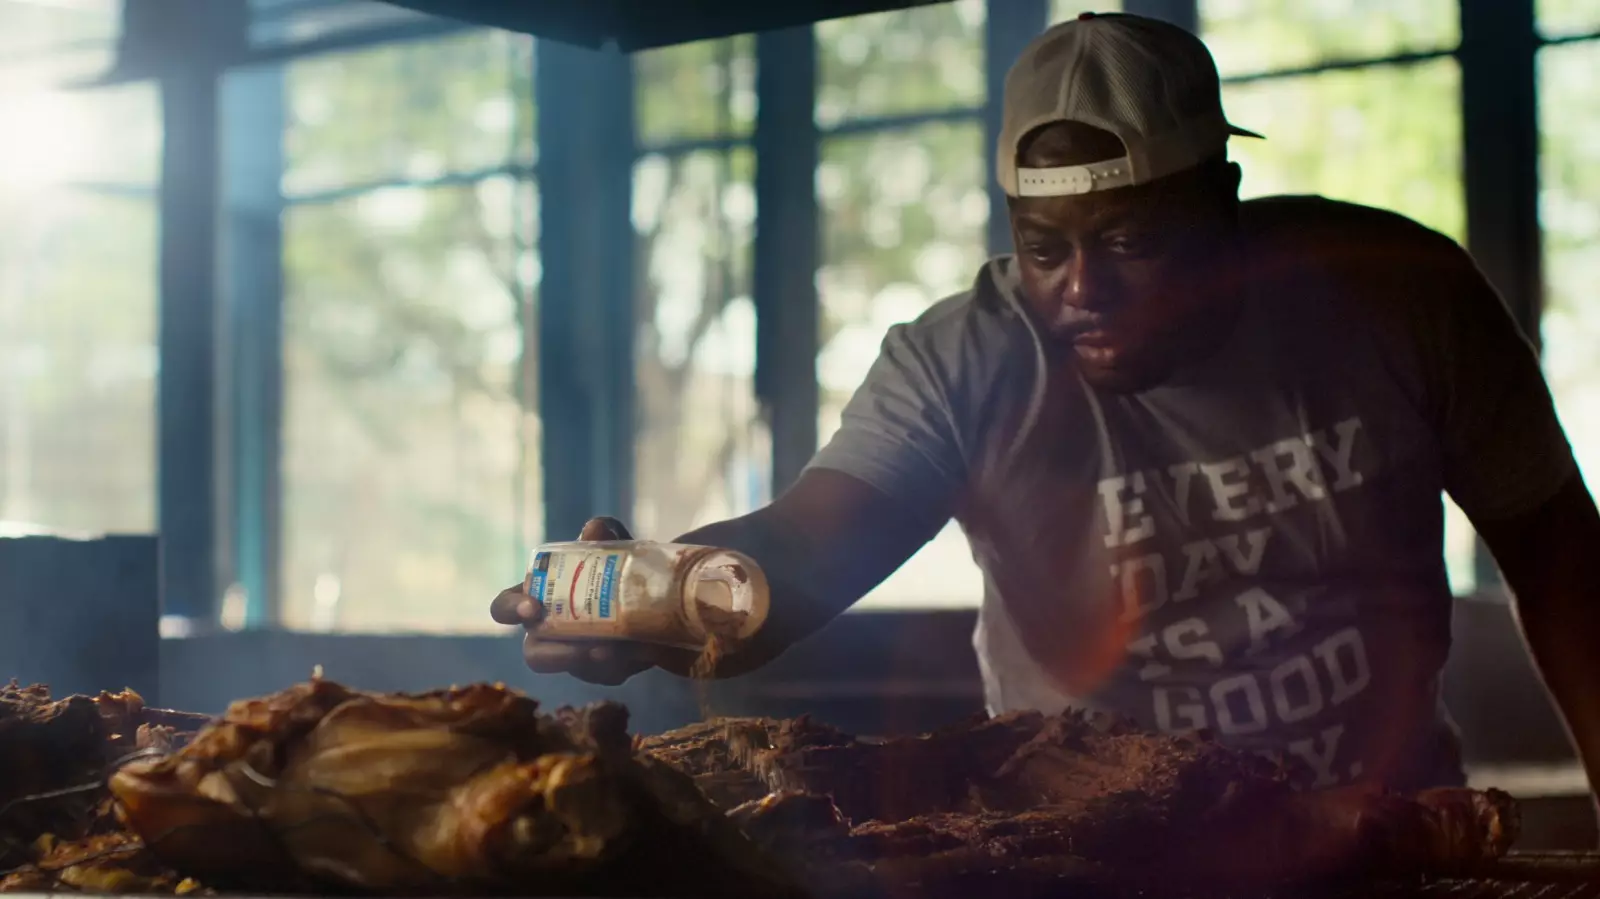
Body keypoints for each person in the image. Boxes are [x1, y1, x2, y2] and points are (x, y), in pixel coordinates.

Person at [491, 12, 1600, 796]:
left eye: (1130, 241)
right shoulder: (960, 361)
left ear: (1221, 203)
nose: (1084, 292)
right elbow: (805, 548)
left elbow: (1562, 560)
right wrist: (660, 601)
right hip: (1105, 859)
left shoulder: (1394, 296)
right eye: (1043, 249)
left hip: (1389, 833)